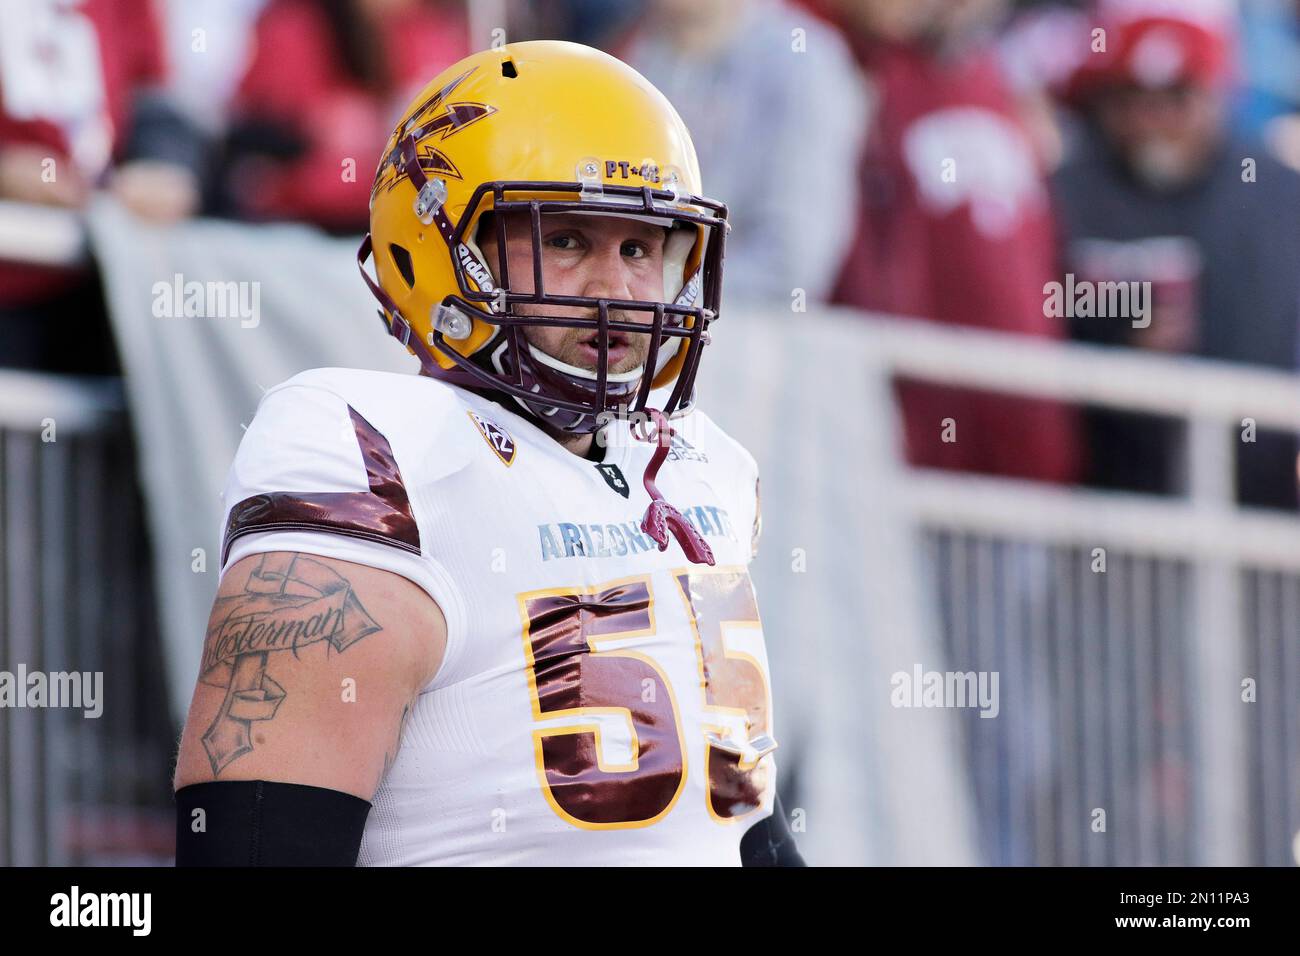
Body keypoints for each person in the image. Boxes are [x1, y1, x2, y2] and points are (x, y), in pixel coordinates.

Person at [172, 40, 802, 867]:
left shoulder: (697, 470)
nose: (613, 288)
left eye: (641, 248)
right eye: (568, 239)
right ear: (440, 249)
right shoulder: (373, 451)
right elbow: (252, 847)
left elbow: (738, 832)